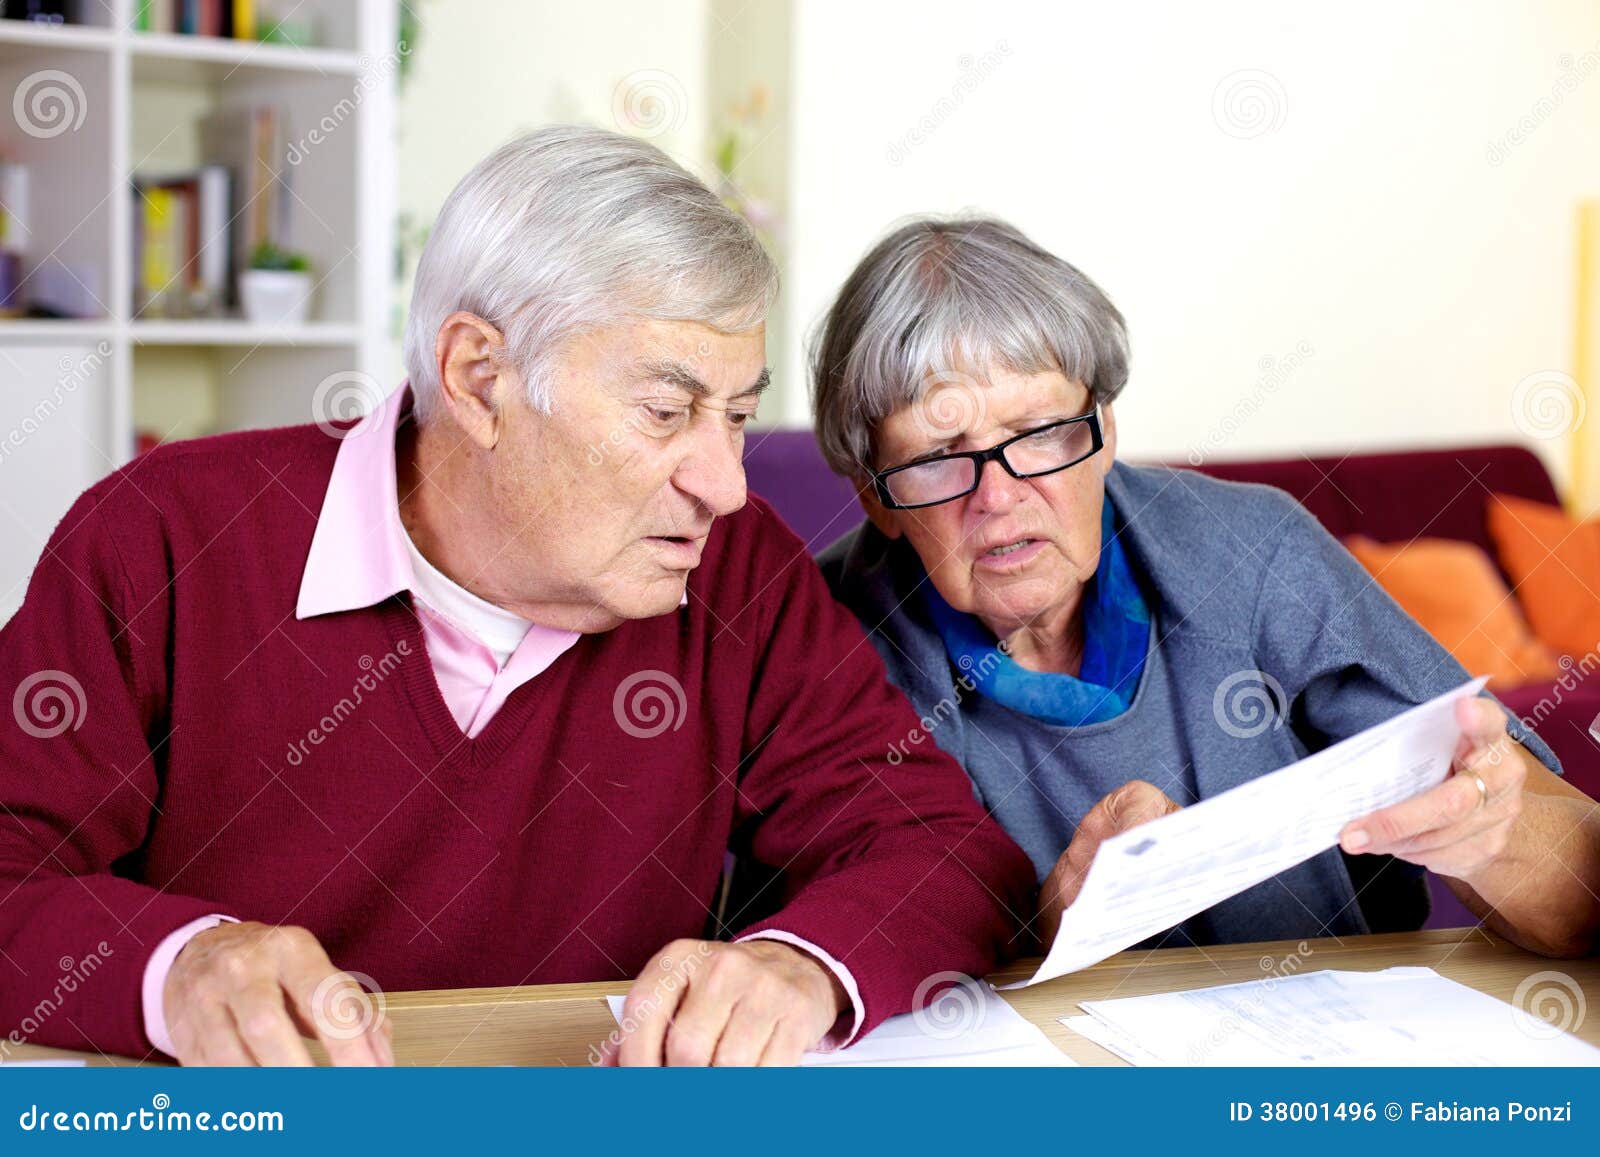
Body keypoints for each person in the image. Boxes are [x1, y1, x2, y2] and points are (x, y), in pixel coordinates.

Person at [0, 131, 1034, 1067]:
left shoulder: (738, 571)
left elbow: (941, 848)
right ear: (478, 377)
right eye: (666, 410)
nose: (724, 482)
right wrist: (175, 967)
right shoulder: (165, 536)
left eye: (736, 415)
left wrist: (806, 964)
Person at [812, 214, 1600, 958]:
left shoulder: (1254, 551)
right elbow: (817, 951)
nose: (1000, 495)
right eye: (940, 457)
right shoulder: (823, 636)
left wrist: (1496, 836)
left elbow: (1579, 879)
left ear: (1104, 431)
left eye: (1041, 433)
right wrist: (1046, 934)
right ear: (875, 494)